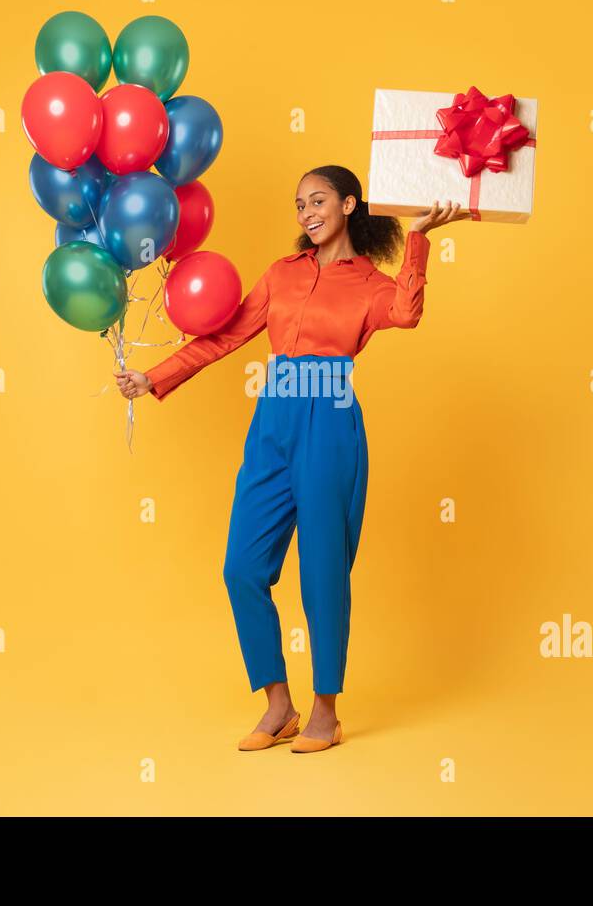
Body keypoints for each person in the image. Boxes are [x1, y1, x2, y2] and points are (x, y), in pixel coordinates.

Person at [116, 164, 467, 753]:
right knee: (242, 569)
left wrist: (420, 240)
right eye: (299, 203)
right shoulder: (281, 275)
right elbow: (225, 337)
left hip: (330, 423)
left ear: (350, 204)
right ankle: (278, 705)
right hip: (273, 421)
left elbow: (406, 313)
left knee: (324, 570)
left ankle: (325, 712)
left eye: (318, 199)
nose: (306, 212)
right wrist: (154, 376)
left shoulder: (371, 283)